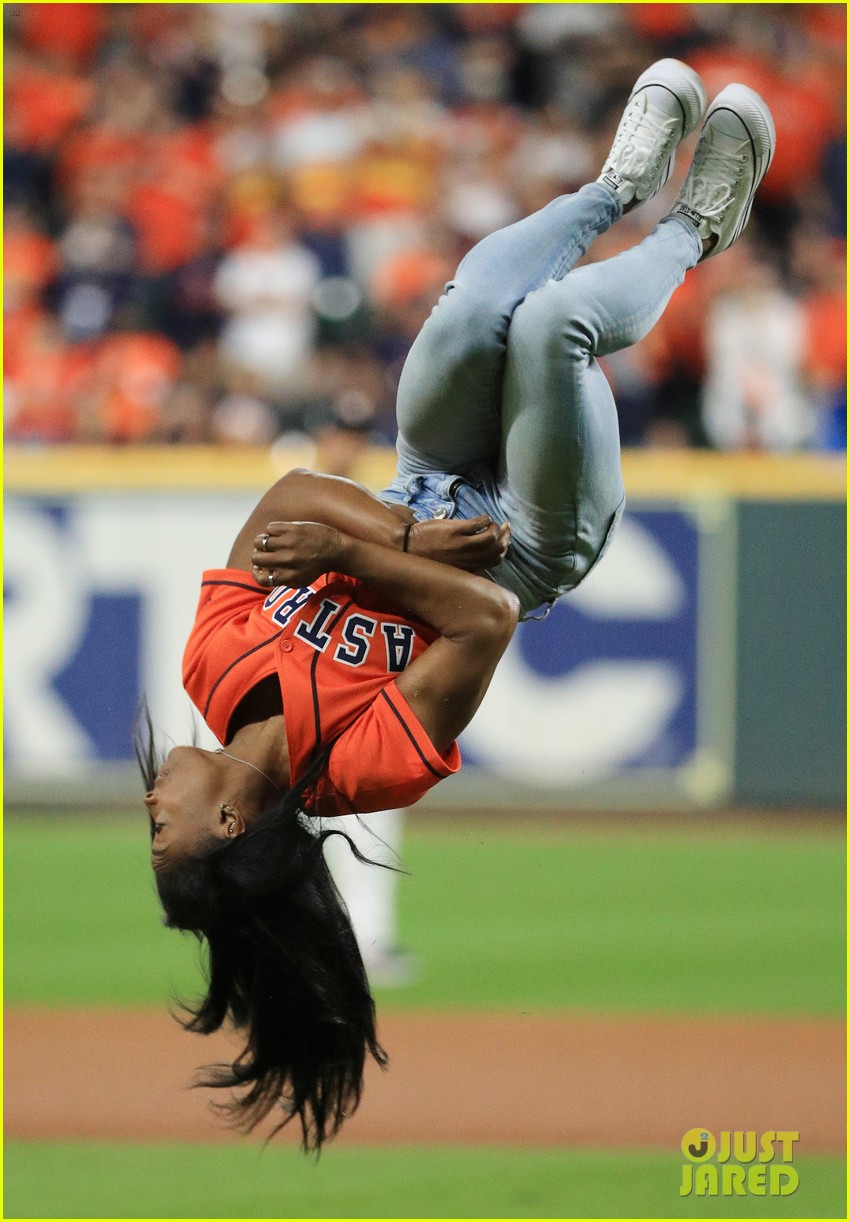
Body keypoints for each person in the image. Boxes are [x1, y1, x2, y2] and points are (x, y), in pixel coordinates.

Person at [139, 61, 775, 1151]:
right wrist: (372, 550)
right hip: (534, 536)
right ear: (231, 826)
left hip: (422, 491)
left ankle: (618, 188)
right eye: (161, 830)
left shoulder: (211, 666)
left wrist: (384, 540)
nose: (151, 803)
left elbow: (291, 496)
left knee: (479, 300)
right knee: (553, 325)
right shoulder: (361, 769)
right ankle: (697, 228)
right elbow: (482, 619)